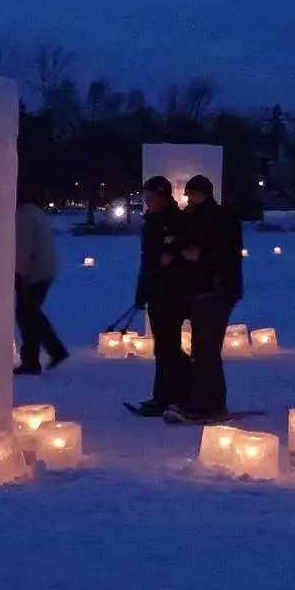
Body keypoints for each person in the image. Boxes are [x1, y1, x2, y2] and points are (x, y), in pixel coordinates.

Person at [165, 174, 242, 423]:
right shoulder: (194, 217)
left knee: (205, 350)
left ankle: (201, 405)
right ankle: (211, 402)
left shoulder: (220, 218)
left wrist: (201, 255)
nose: (190, 198)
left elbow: (227, 252)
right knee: (205, 350)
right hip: (203, 290)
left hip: (215, 290)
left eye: (194, 193)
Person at [128, 176, 190, 416]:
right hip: (156, 292)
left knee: (168, 347)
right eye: (146, 199)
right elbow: (148, 262)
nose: (147, 203)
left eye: (151, 198)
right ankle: (166, 395)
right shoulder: (151, 222)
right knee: (164, 348)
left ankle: (174, 394)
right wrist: (142, 292)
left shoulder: (177, 221)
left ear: (164, 197)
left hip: (173, 293)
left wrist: (172, 255)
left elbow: (186, 252)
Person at [13, 186, 68, 374]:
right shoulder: (34, 213)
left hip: (34, 273)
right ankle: (54, 351)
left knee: (26, 315)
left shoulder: (23, 218)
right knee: (31, 313)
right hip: (44, 270)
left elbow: (23, 249)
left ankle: (32, 361)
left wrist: (19, 274)